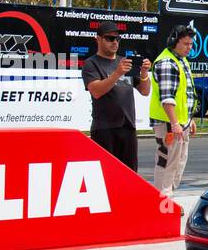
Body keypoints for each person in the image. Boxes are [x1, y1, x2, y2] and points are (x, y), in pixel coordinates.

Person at [82, 24, 150, 171]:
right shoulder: (91, 64)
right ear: (98, 39)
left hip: (128, 127)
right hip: (105, 128)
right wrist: (116, 74)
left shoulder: (124, 62)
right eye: (110, 38)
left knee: (130, 175)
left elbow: (145, 91)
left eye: (117, 38)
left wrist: (144, 73)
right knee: (107, 174)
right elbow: (96, 91)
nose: (115, 42)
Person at [148, 24, 196, 198]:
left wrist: (189, 120)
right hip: (169, 122)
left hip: (179, 122)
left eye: (191, 44)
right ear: (174, 42)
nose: (189, 47)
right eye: (185, 43)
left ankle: (168, 200)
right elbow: (167, 98)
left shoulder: (180, 60)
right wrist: (175, 123)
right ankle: (163, 201)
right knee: (167, 161)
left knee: (178, 162)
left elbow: (185, 94)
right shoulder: (168, 62)